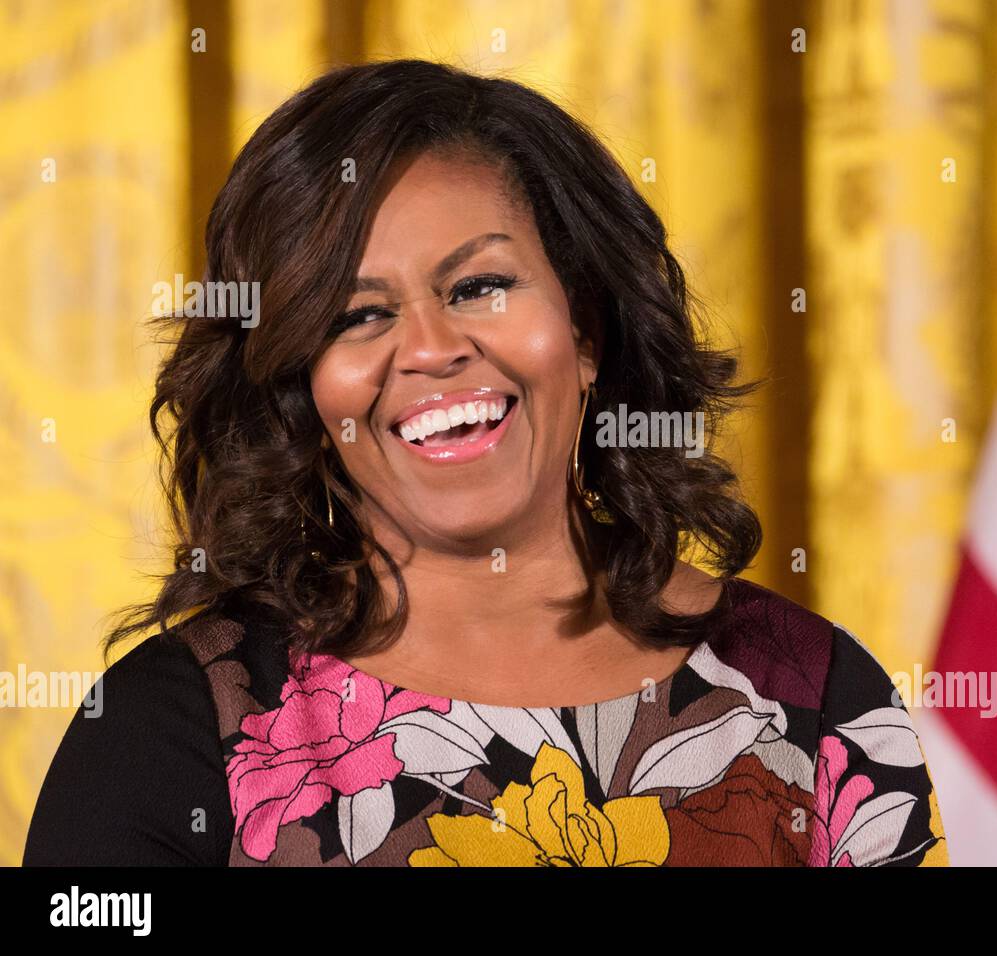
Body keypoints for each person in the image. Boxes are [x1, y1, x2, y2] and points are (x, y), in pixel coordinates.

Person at [23, 59, 947, 867]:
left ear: (586, 330)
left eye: (480, 286)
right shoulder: (169, 730)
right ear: (304, 388)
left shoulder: (816, 696)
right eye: (358, 315)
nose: (432, 348)